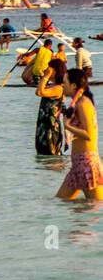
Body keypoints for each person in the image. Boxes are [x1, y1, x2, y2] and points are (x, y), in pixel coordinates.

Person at [57, 69, 102, 200]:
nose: (62, 85)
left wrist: (67, 126)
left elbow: (89, 134)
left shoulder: (83, 104)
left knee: (95, 207)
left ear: (74, 85)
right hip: (77, 165)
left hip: (87, 164)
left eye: (65, 82)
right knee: (59, 202)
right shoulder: (77, 103)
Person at [35, 59, 68, 155]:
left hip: (50, 128)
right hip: (44, 126)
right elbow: (39, 89)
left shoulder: (58, 88)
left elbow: (39, 92)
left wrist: (46, 76)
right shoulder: (52, 86)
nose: (46, 70)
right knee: (43, 155)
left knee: (50, 154)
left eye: (49, 69)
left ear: (55, 71)